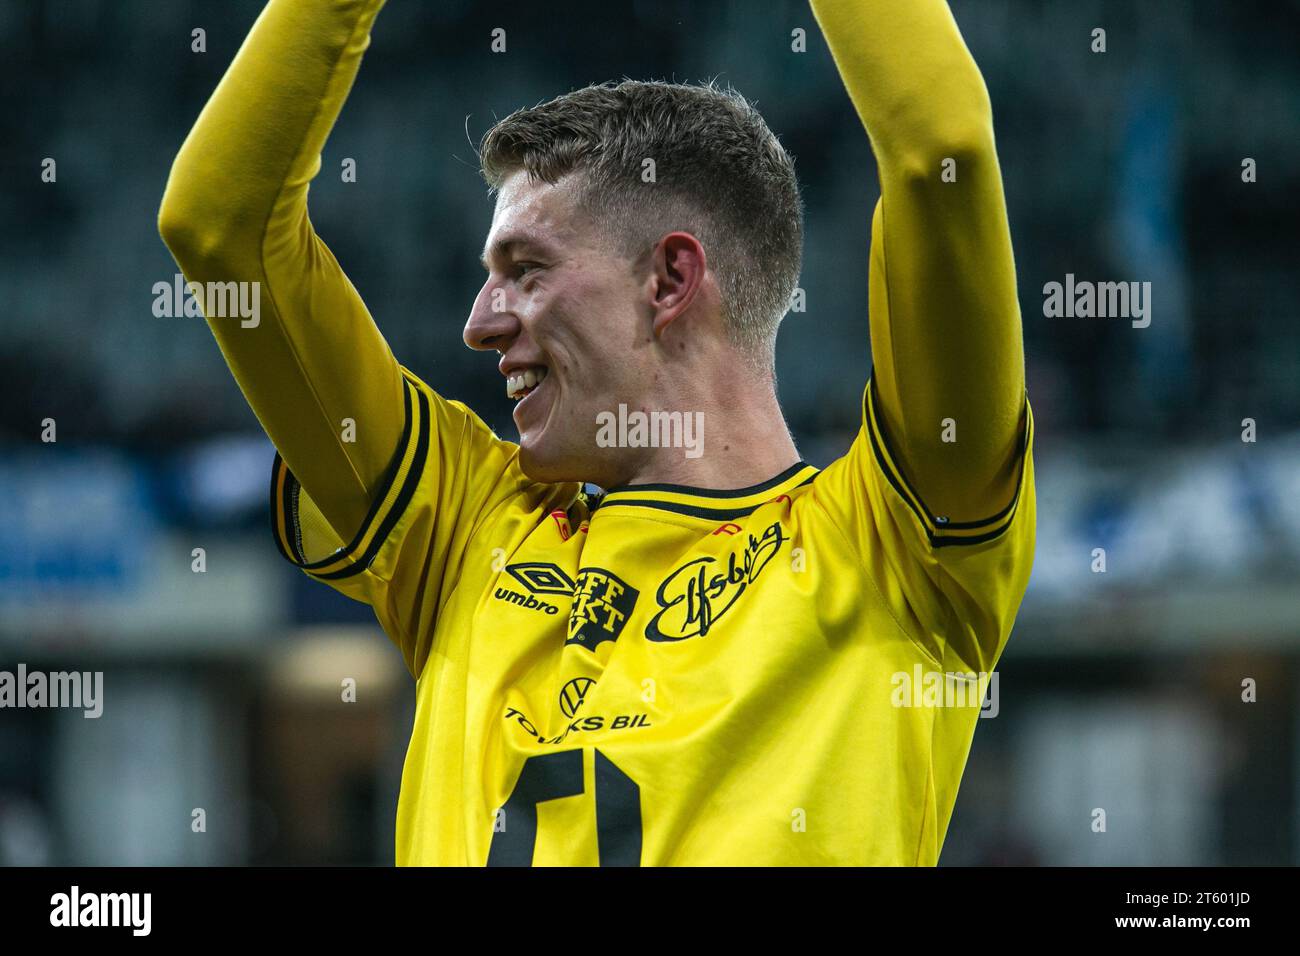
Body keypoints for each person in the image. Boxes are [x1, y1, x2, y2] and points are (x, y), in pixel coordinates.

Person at [159, 0, 1034, 865]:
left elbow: (941, 152)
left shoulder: (895, 550)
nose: (479, 322)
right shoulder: (466, 527)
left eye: (525, 270)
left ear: (669, 279)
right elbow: (219, 226)